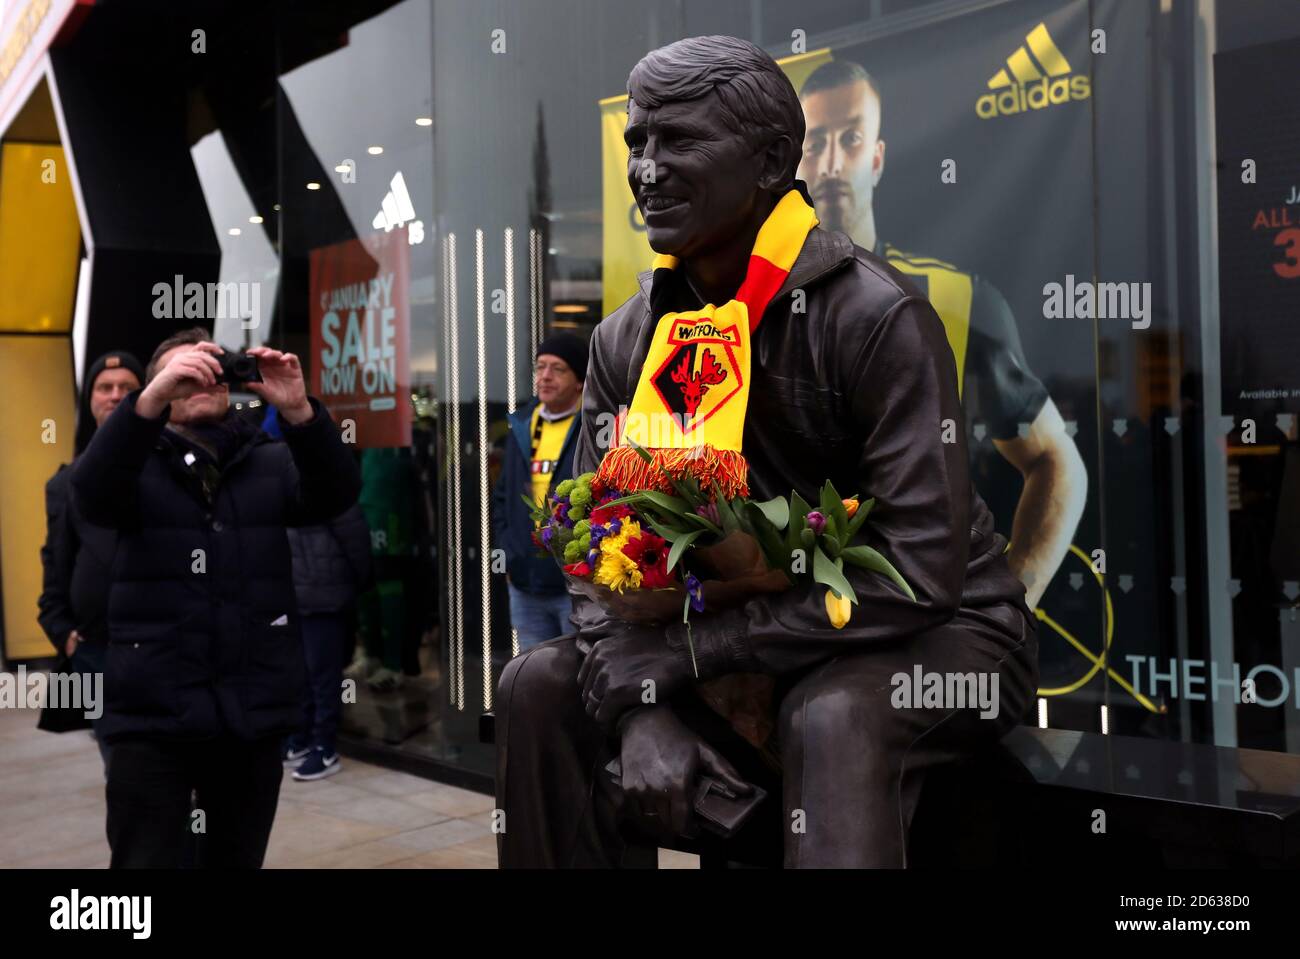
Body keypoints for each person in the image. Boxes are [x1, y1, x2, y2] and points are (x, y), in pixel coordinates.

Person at [495, 35, 1039, 868]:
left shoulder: (878, 316)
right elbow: (595, 553)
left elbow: (922, 571)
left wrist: (695, 653)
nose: (646, 168)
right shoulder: (626, 338)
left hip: (944, 632)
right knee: (534, 684)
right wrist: (643, 706)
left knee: (833, 714)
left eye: (678, 142)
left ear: (771, 159)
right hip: (725, 626)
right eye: (639, 142)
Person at [797, 58, 1086, 608]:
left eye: (852, 138)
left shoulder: (959, 302)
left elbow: (1057, 462)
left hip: (922, 628)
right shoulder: (749, 308)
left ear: (877, 158)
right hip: (794, 632)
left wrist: (1010, 610)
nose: (832, 163)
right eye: (815, 144)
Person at [71, 327, 360, 868]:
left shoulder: (267, 459)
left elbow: (336, 494)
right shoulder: (132, 461)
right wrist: (152, 396)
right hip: (150, 714)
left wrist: (301, 412)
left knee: (235, 859)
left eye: (214, 369)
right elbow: (90, 494)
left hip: (250, 712)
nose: (203, 378)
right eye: (185, 371)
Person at [38, 350, 145, 766]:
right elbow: (55, 560)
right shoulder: (65, 482)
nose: (115, 395)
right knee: (120, 768)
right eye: (105, 388)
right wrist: (62, 631)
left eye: (125, 388)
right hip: (96, 652)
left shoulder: (170, 465)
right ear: (91, 399)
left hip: (165, 647)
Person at [491, 334, 586, 651]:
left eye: (557, 369)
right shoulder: (521, 425)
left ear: (580, 382)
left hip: (575, 588)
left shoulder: (593, 428)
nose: (545, 376)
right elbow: (503, 497)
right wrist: (510, 552)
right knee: (534, 684)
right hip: (524, 584)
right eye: (540, 367)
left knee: (578, 683)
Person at [284, 501, 372, 780]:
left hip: (326, 594)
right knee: (303, 673)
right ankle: (301, 738)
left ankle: (324, 747)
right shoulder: (286, 475)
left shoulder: (332, 486)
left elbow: (357, 543)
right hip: (298, 593)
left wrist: (357, 586)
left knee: (323, 676)